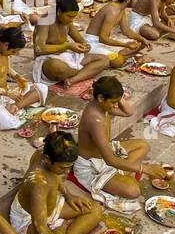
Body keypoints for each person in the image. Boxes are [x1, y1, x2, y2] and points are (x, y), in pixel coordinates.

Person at [9, 133, 104, 234]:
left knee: (95, 209)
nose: (67, 171)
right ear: (47, 159)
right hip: (28, 219)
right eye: (63, 168)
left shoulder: (51, 162)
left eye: (69, 167)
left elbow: (58, 179)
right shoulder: (39, 183)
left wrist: (68, 195)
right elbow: (40, 230)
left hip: (50, 208)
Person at [72, 75, 169, 207]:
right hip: (92, 165)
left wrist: (117, 94)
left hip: (106, 152)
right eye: (113, 102)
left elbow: (129, 112)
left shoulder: (103, 105)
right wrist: (144, 169)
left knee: (143, 145)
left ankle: (123, 174)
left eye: (117, 101)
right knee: (134, 191)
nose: (116, 105)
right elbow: (110, 160)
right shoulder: (94, 120)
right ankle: (125, 174)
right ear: (101, 98)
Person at [31, 0, 112, 95]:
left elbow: (80, 39)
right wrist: (67, 46)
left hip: (67, 56)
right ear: (59, 12)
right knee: (57, 67)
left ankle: (73, 79)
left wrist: (85, 46)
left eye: (73, 17)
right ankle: (86, 72)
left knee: (104, 60)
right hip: (47, 60)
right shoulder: (45, 21)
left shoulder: (67, 22)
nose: (71, 19)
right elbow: (40, 49)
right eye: (69, 16)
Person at [0, 26, 42, 129]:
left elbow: (4, 67)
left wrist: (18, 77)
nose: (14, 54)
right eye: (13, 51)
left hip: (7, 94)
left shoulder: (3, 51)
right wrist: (6, 92)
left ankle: (15, 106)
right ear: (6, 45)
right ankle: (13, 108)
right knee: (9, 122)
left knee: (42, 89)